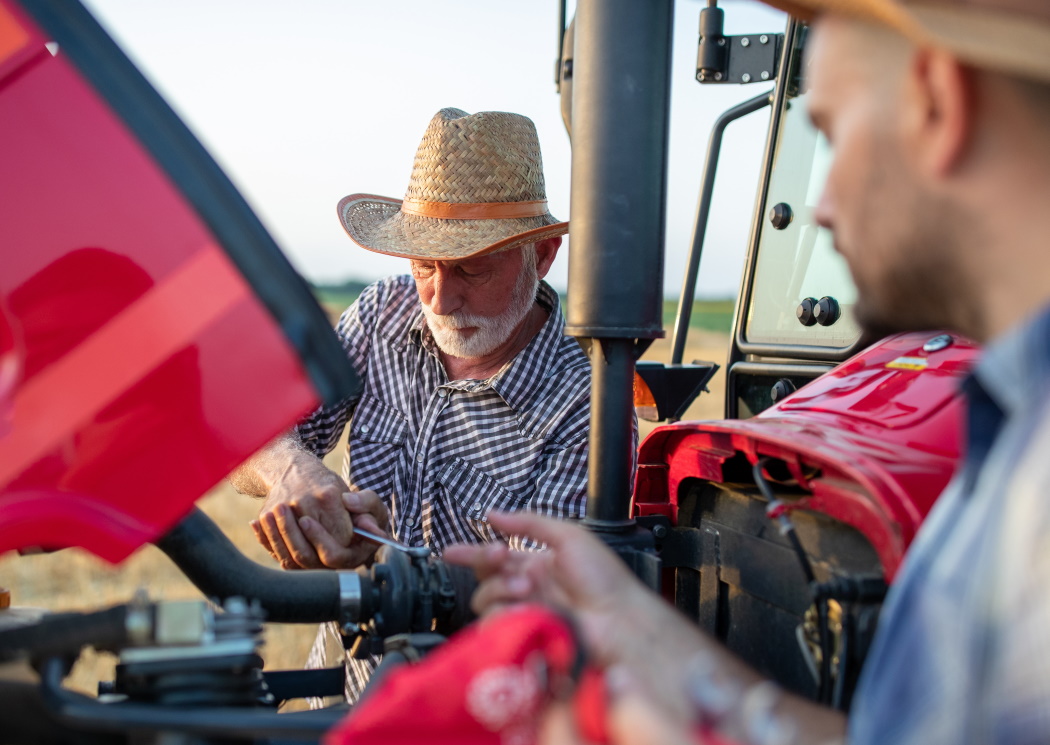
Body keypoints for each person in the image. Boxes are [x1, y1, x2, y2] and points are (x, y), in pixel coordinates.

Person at [446, 1, 1050, 743]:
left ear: (936, 101)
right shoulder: (1017, 430)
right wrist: (650, 636)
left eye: (827, 133)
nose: (820, 208)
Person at [229, 107, 593, 697]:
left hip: (472, 707)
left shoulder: (582, 403)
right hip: (345, 682)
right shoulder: (381, 314)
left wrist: (395, 566)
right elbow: (254, 437)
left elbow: (537, 604)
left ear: (543, 255)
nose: (441, 299)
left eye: (471, 269)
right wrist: (292, 473)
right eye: (425, 265)